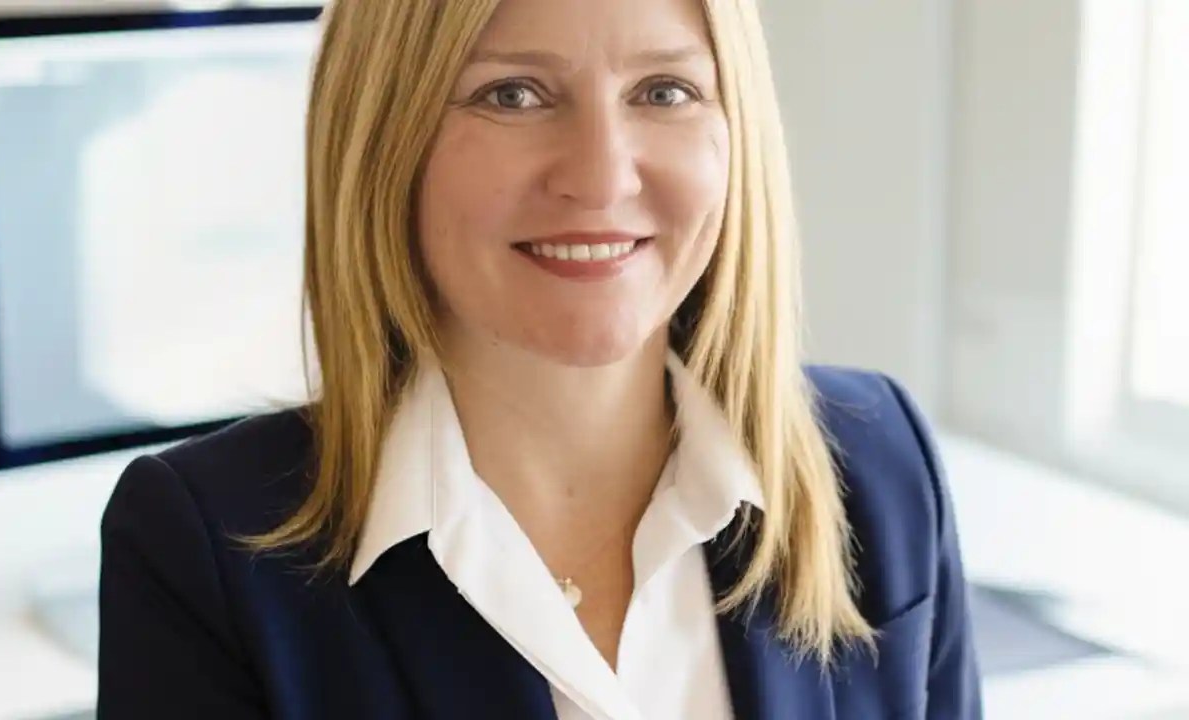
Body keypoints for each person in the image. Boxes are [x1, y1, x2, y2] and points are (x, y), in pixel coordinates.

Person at [97, 0, 982, 717]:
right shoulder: (201, 548)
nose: (601, 178)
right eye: (513, 94)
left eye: (664, 91)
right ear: (381, 139)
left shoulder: (879, 461)